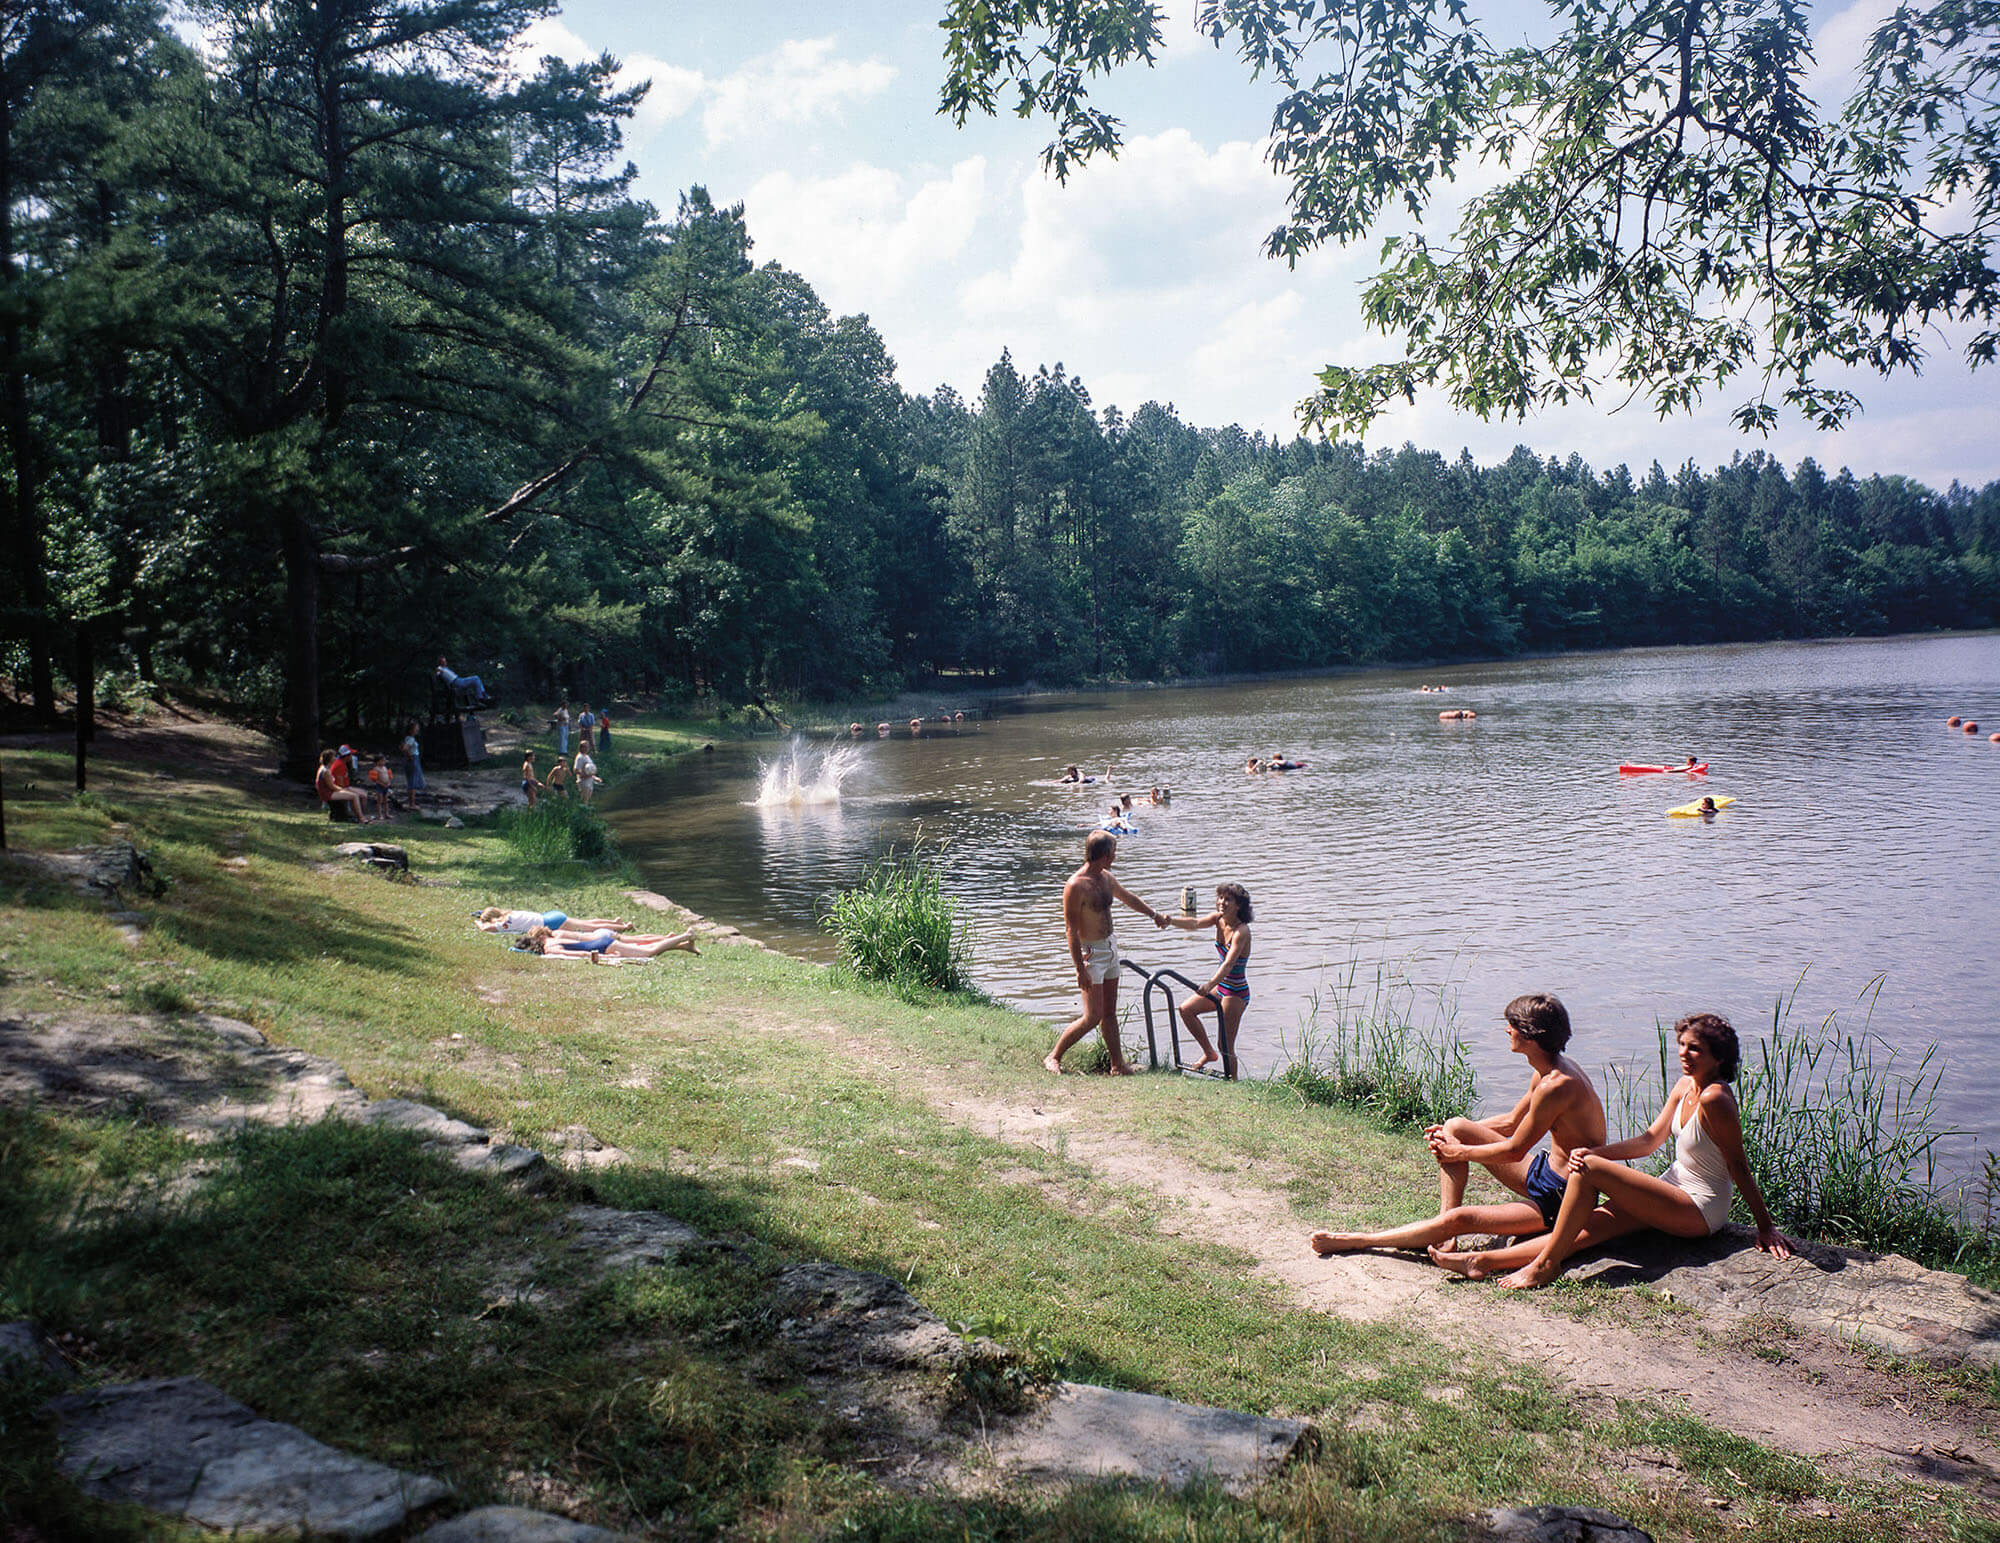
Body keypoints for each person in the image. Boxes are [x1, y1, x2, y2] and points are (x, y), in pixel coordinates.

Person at [1428, 1012, 1793, 1289]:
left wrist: (1765, 1227)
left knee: (1588, 1170)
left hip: (1701, 1206)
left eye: (1694, 1048)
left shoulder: (1716, 1099)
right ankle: (1484, 1261)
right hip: (1672, 1188)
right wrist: (1597, 1151)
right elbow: (1650, 1140)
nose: (1684, 1054)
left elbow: (1738, 1167)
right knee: (1584, 1229)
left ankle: (1543, 1267)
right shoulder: (1686, 1085)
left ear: (1718, 1056)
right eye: (1681, 1045)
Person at [1309, 992, 1608, 1257]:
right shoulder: (1546, 1070)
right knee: (1454, 1125)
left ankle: (1360, 1240)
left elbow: (1515, 1150)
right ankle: (1444, 1231)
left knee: (1462, 1220)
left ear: (1530, 1036)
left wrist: (1459, 1153)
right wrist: (1450, 1136)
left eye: (1512, 1026)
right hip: (1543, 1173)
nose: (1507, 1030)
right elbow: (1510, 1122)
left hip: (1560, 1198)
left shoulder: (1557, 1086)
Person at [1044, 831, 1168, 1076]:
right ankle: (1053, 1056)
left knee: (1109, 1013)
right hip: (1091, 954)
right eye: (1113, 851)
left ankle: (1117, 1065)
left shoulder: (1106, 877)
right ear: (1103, 854)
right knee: (1092, 1016)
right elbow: (1071, 929)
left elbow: (1127, 898)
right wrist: (1080, 968)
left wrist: (1154, 915)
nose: (1116, 856)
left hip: (1110, 948)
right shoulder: (1075, 885)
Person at [1160, 884, 1254, 1073]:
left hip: (1235, 993)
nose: (1222, 902)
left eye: (1228, 899)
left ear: (1238, 906)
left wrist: (1210, 984)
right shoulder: (1217, 919)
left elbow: (1228, 964)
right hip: (1221, 988)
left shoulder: (1241, 931)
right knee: (1186, 1010)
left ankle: (1233, 1085)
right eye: (1220, 898)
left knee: (1225, 1046)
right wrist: (1171, 922)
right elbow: (1193, 923)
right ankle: (1208, 1053)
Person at [514, 924, 700, 961]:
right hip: (602, 942)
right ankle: (685, 945)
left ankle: (685, 936)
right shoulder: (555, 936)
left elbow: (580, 953)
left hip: (604, 946)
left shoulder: (549, 948)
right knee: (642, 947)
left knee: (648, 952)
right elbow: (580, 941)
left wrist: (601, 957)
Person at [476, 907, 634, 936]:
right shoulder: (511, 913)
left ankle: (623, 927)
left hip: (550, 923)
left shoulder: (503, 924)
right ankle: (615, 922)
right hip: (549, 915)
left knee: (589, 927)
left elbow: (485, 929)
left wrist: (479, 923)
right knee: (588, 922)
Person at [315, 749, 372, 823]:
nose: (335, 758)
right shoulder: (326, 771)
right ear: (329, 759)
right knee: (354, 796)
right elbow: (331, 786)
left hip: (328, 791)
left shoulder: (323, 767)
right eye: (333, 757)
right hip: (327, 793)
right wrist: (343, 790)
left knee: (354, 794)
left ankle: (358, 816)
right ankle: (361, 818)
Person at [401, 721, 425, 809]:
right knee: (413, 782)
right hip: (413, 759)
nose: (417, 730)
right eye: (416, 728)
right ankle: (412, 804)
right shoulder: (410, 738)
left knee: (412, 781)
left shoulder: (407, 738)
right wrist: (410, 757)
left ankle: (411, 803)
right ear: (411, 729)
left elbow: (402, 747)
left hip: (412, 759)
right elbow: (405, 748)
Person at [366, 754, 395, 819]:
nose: (384, 762)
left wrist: (389, 782)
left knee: (386, 801)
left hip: (386, 786)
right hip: (380, 786)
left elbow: (389, 776)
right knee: (380, 801)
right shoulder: (375, 769)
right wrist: (382, 784)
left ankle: (386, 814)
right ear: (377, 762)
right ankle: (379, 815)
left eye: (384, 761)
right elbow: (374, 779)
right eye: (382, 761)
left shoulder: (385, 768)